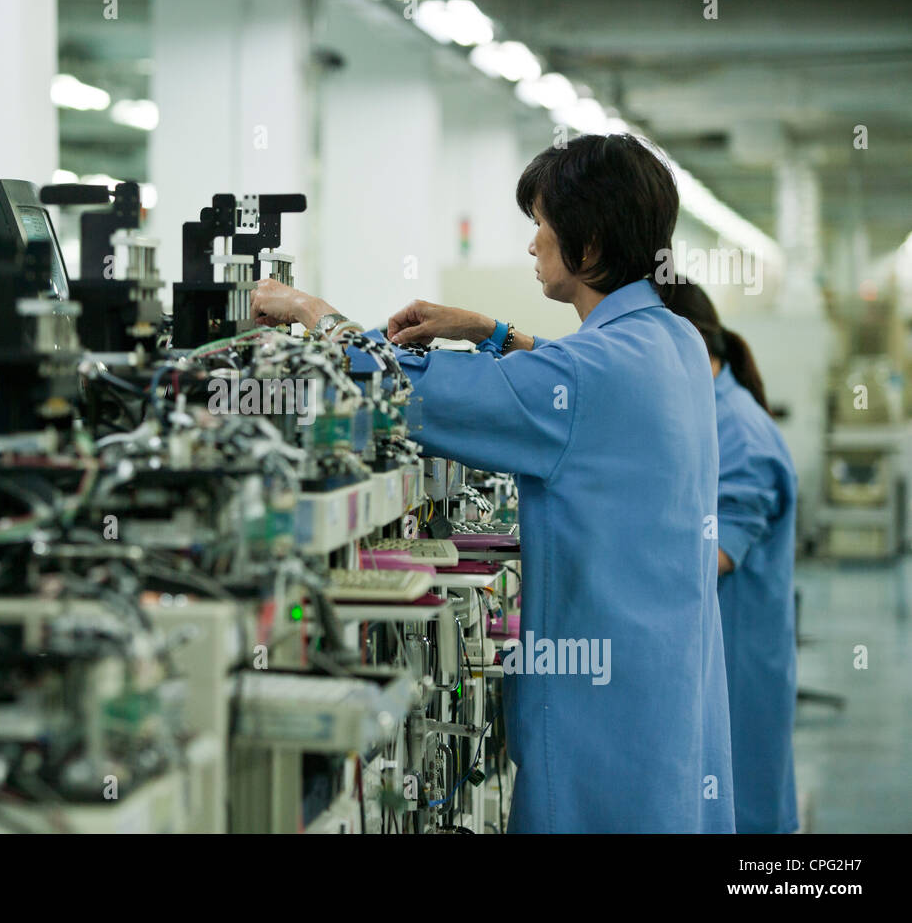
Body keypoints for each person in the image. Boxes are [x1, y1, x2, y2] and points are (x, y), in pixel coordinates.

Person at [250, 133, 735, 832]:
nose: (533, 244)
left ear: (588, 244)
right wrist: (493, 332)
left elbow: (397, 389)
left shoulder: (586, 376)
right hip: (663, 692)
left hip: (599, 715)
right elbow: (577, 377)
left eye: (540, 224)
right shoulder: (676, 342)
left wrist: (309, 313)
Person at [667, 279, 799, 834]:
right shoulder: (709, 415)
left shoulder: (741, 433)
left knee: (743, 816)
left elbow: (717, 553)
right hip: (716, 657)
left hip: (738, 667)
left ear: (694, 347)